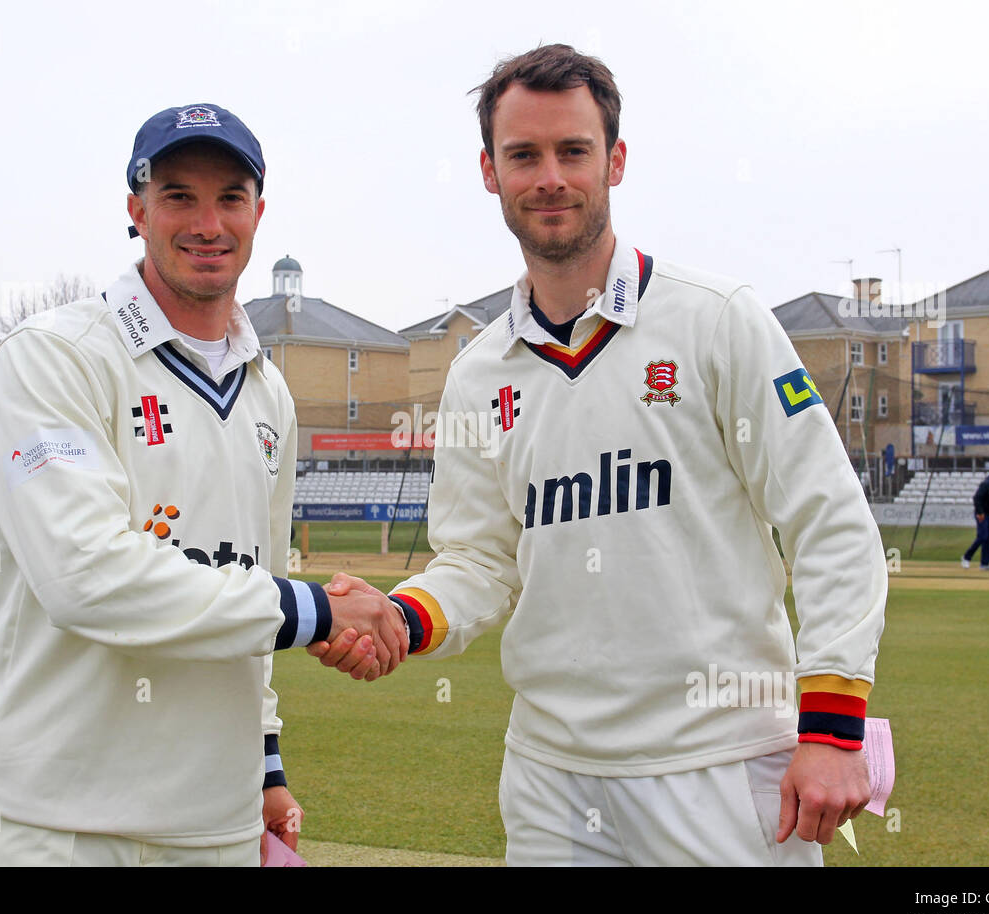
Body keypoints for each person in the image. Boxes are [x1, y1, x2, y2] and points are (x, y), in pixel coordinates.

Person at [316, 45, 885, 866]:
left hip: (716, 766)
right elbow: (479, 557)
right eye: (524, 155)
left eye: (572, 151)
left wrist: (832, 729)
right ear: (490, 171)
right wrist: (403, 618)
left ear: (614, 160)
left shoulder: (716, 320)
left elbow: (830, 520)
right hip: (551, 780)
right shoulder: (479, 373)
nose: (550, 177)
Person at [0, 103, 406, 867]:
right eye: (178, 197)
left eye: (230, 197)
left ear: (258, 213)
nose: (208, 223)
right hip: (57, 827)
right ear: (136, 210)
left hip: (215, 827)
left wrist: (265, 770)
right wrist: (321, 610)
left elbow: (254, 590)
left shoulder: (269, 393)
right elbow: (87, 578)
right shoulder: (54, 357)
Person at [962, 464, 989, 570]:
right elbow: (977, 498)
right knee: (982, 537)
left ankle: (985, 564)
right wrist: (980, 512)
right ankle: (966, 557)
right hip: (982, 514)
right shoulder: (986, 484)